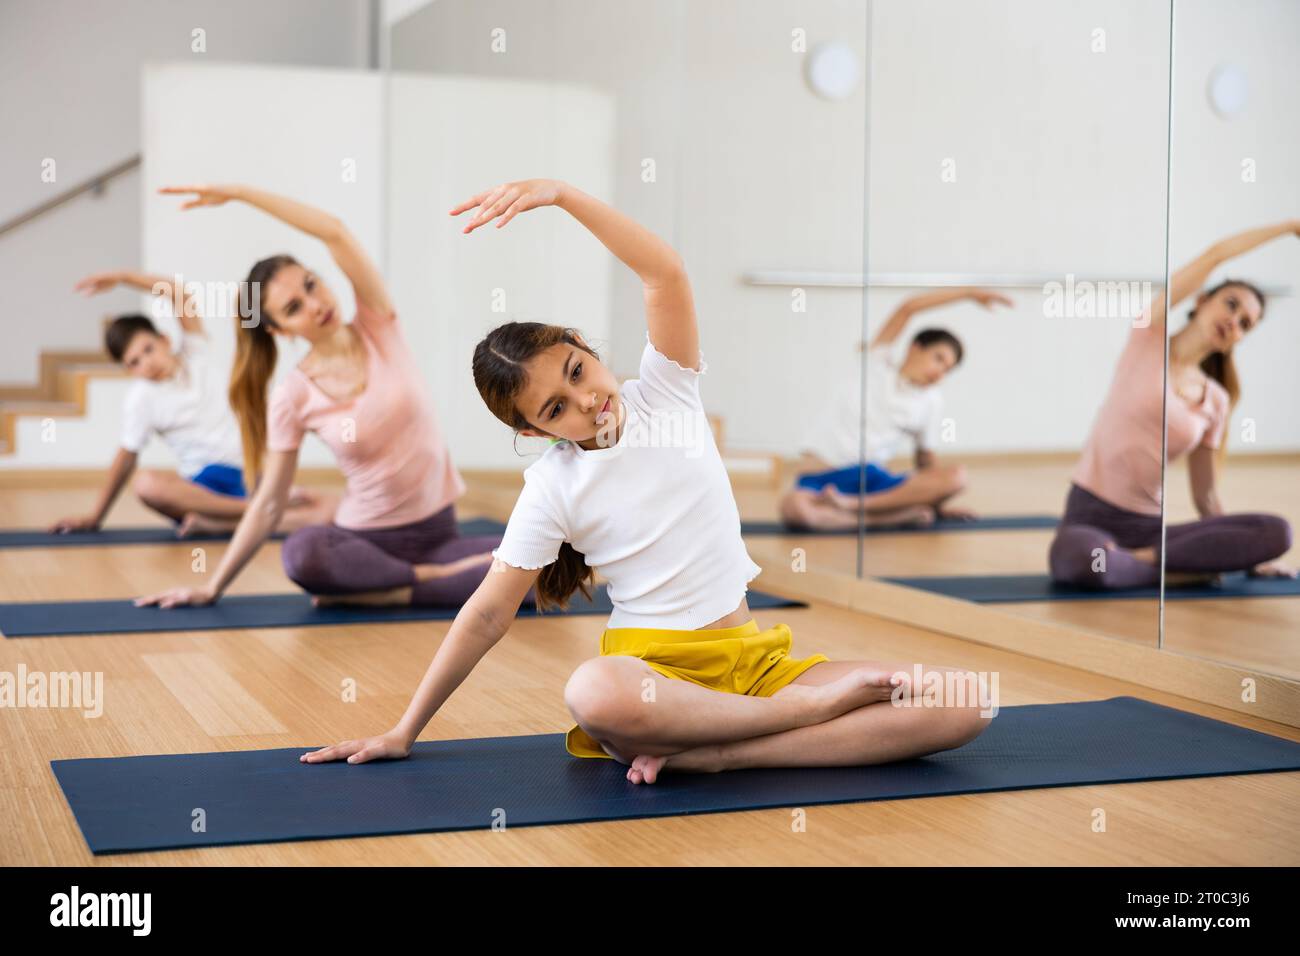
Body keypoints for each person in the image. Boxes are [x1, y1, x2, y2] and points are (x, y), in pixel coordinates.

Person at [302, 178, 991, 784]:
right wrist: (402, 731)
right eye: (554, 410)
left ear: (584, 349)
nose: (586, 402)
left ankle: (726, 754)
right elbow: (486, 614)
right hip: (657, 680)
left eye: (577, 372)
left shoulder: (667, 391)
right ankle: (790, 720)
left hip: (755, 663)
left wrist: (563, 196)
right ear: (537, 434)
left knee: (965, 702)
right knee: (595, 693)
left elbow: (663, 272)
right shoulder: (552, 487)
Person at [135, 185, 509, 609]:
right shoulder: (293, 395)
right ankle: (415, 583)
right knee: (302, 553)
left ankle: (393, 592)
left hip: (441, 534)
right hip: (363, 542)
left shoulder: (378, 324)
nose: (314, 304)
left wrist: (241, 194)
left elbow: (334, 232)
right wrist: (211, 587)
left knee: (548, 564)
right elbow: (269, 504)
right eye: (293, 307)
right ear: (278, 330)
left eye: (311, 286)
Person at [1049, 221, 1297, 588]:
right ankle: (1175, 571)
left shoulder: (1216, 399)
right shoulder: (1147, 338)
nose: (1233, 321)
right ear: (1200, 302)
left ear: (1238, 340)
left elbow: (1206, 495)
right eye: (1230, 305)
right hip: (1090, 520)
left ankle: (1140, 563)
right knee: (1090, 561)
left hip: (1151, 533)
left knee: (1276, 532)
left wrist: (1245, 552)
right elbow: (1215, 255)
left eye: (1245, 323)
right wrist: (1289, 226)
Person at [49, 270, 328, 537]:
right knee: (146, 484)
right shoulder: (141, 399)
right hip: (204, 490)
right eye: (134, 362)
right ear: (129, 371)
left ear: (164, 340)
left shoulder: (196, 352)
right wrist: (95, 517)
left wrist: (122, 278)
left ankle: (226, 524)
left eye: (148, 350)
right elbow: (126, 458)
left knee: (329, 512)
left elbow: (177, 294)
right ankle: (253, 513)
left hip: (251, 475)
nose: (147, 363)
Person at [780, 288, 1011, 530]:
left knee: (957, 477)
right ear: (915, 347)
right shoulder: (875, 364)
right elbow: (908, 308)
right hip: (823, 478)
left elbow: (925, 460)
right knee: (794, 508)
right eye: (938, 358)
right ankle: (887, 517)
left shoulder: (931, 401)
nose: (939, 372)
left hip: (872, 482)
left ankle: (851, 507)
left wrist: (935, 501)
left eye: (947, 370)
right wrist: (969, 293)